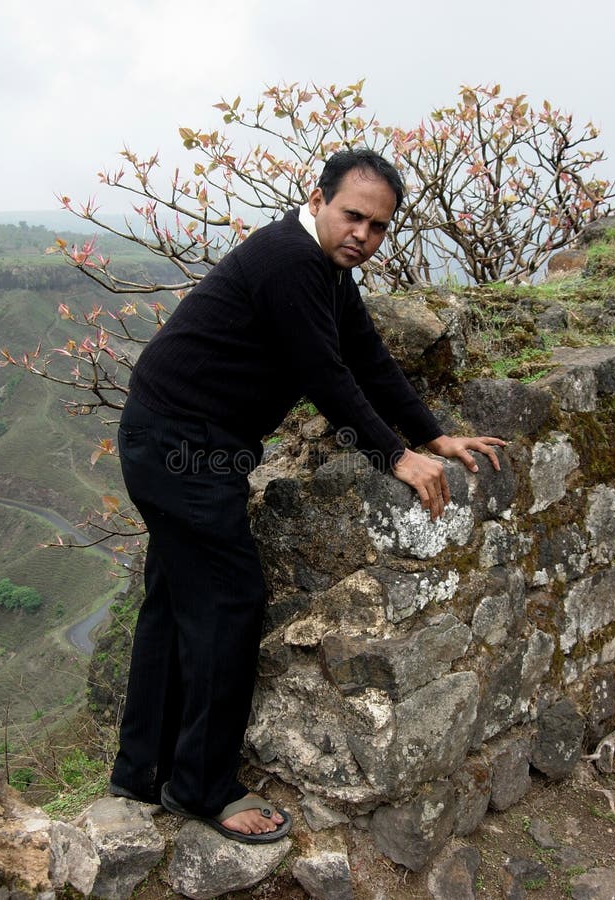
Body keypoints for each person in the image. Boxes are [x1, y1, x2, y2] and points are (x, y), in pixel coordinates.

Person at [108, 149, 505, 843]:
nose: (362, 234)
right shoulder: (290, 261)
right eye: (352, 215)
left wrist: (430, 435)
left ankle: (141, 772)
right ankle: (201, 788)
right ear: (317, 199)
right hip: (182, 449)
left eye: (378, 226)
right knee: (229, 605)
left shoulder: (324, 268)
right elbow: (323, 374)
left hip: (180, 442)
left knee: (174, 607)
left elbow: (365, 356)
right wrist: (394, 456)